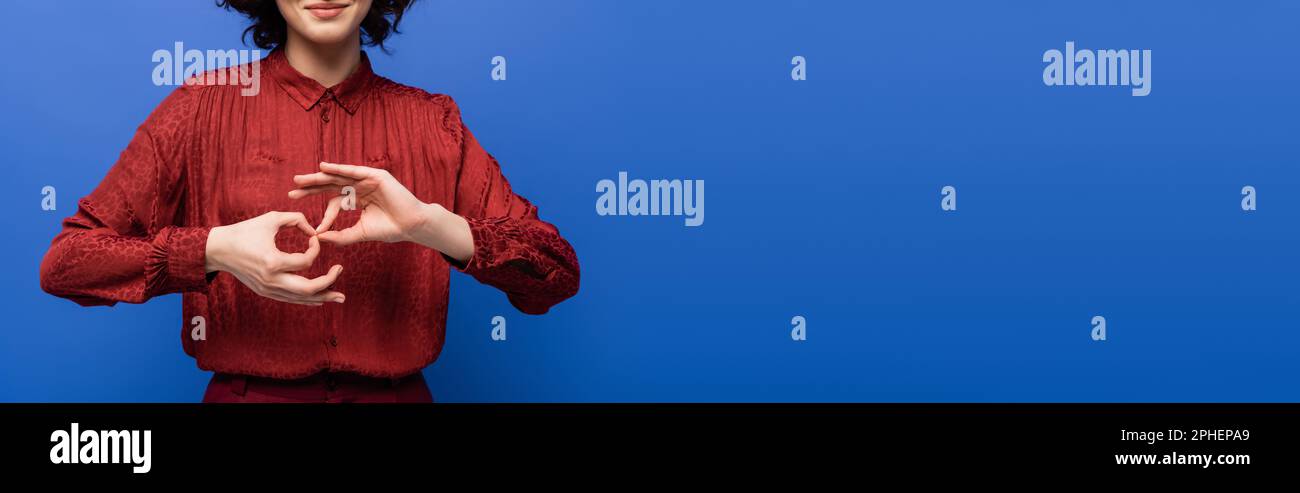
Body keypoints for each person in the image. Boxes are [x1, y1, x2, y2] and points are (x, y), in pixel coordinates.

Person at [38, 0, 580, 402]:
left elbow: (555, 273)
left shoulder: (434, 121)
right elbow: (67, 264)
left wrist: (431, 226)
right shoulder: (198, 108)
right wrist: (212, 249)